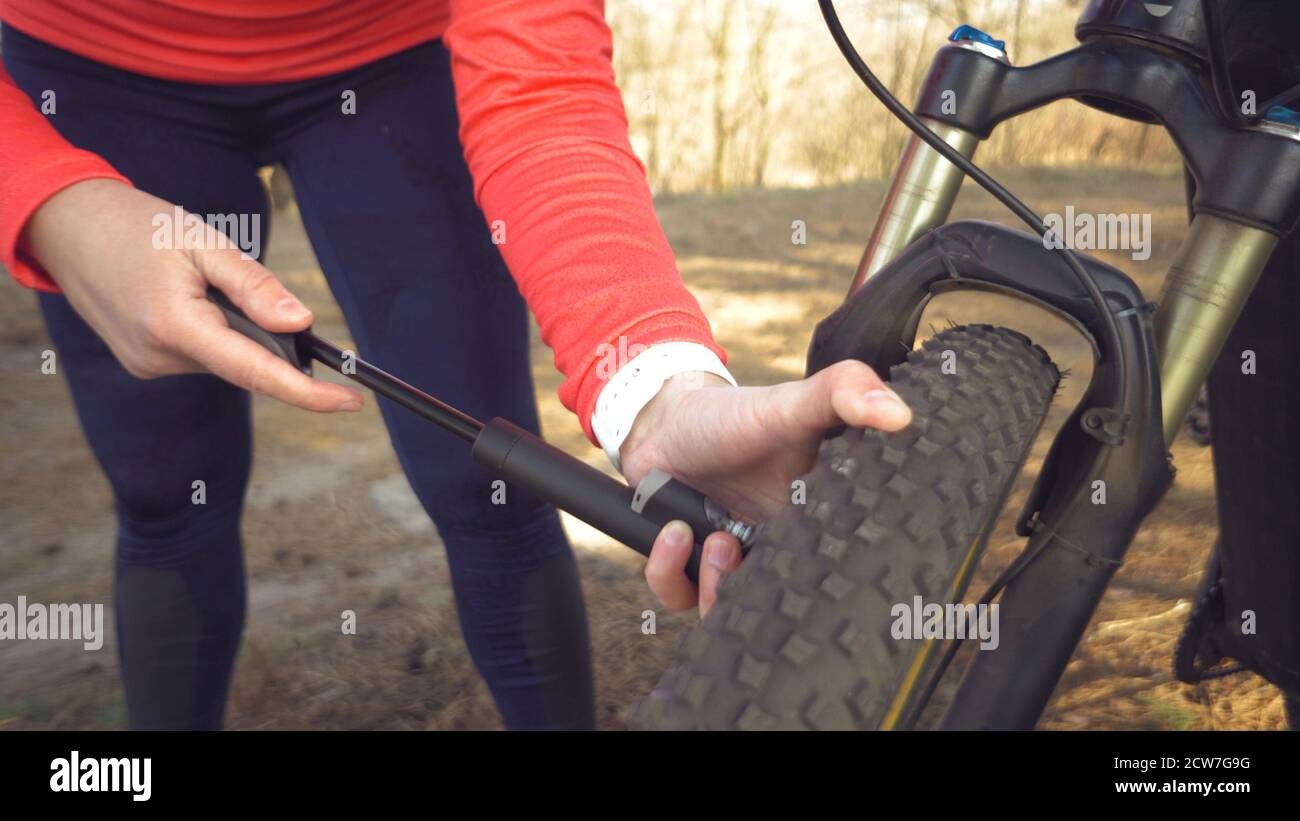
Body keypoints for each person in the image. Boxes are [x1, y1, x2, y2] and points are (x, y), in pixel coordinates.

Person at [0, 0, 911, 730]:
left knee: (493, 497)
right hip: (85, 74)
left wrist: (657, 388)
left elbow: (543, 87)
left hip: (396, 57)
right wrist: (45, 198)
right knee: (167, 500)